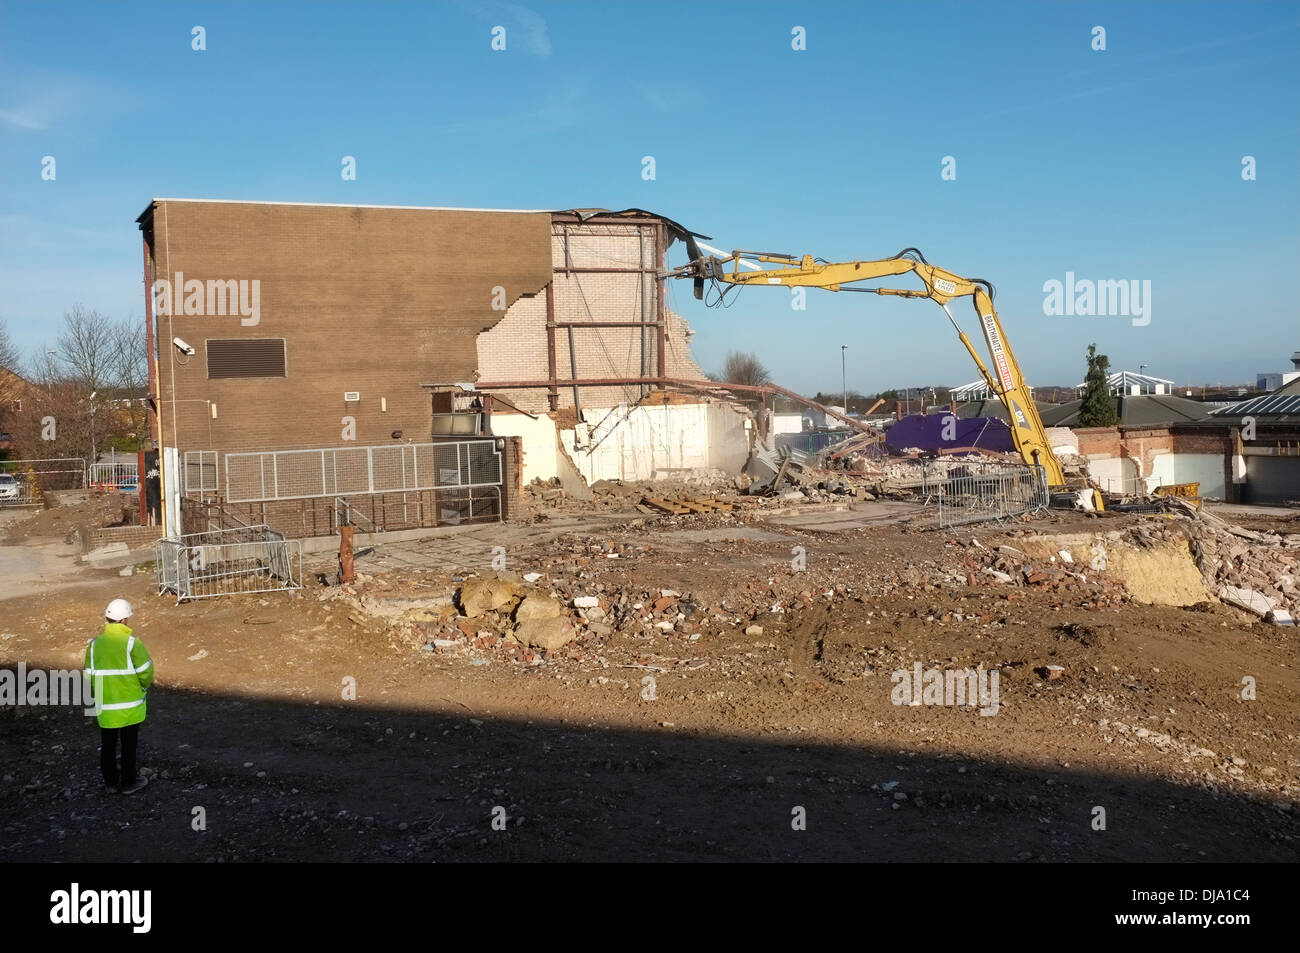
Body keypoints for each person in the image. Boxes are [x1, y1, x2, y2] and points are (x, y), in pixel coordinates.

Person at [84, 598, 154, 794]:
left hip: (106, 707)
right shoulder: (132, 643)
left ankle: (110, 783)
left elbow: (89, 674)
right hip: (130, 706)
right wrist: (143, 687)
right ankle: (129, 782)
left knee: (108, 745)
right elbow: (146, 672)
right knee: (128, 745)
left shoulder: (94, 645)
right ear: (124, 620)